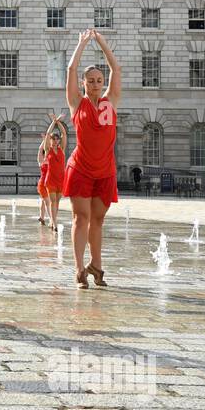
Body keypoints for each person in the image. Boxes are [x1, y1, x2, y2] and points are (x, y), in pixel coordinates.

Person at [62, 29, 120, 289]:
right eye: (91, 80)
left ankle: (96, 266)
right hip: (81, 169)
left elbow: (115, 69)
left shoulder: (111, 101)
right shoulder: (77, 103)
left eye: (99, 80)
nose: (96, 84)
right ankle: (78, 269)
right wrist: (83, 43)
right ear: (84, 84)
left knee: (98, 220)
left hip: (105, 171)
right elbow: (71, 69)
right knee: (81, 218)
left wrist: (103, 43)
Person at [39, 113, 67, 232]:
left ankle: (53, 220)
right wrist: (53, 122)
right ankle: (54, 223)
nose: (55, 141)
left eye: (56, 139)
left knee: (57, 202)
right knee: (53, 201)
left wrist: (58, 122)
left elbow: (64, 133)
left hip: (61, 179)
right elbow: (47, 136)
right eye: (53, 139)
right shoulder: (48, 150)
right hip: (50, 179)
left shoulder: (62, 149)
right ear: (50, 141)